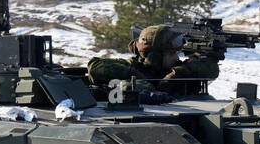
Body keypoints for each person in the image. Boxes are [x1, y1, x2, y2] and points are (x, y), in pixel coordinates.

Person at [85, 24, 220, 98]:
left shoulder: (175, 70)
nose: (176, 58)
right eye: (172, 53)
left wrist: (176, 74)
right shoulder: (131, 66)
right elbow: (94, 66)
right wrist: (138, 79)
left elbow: (211, 69)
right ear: (154, 57)